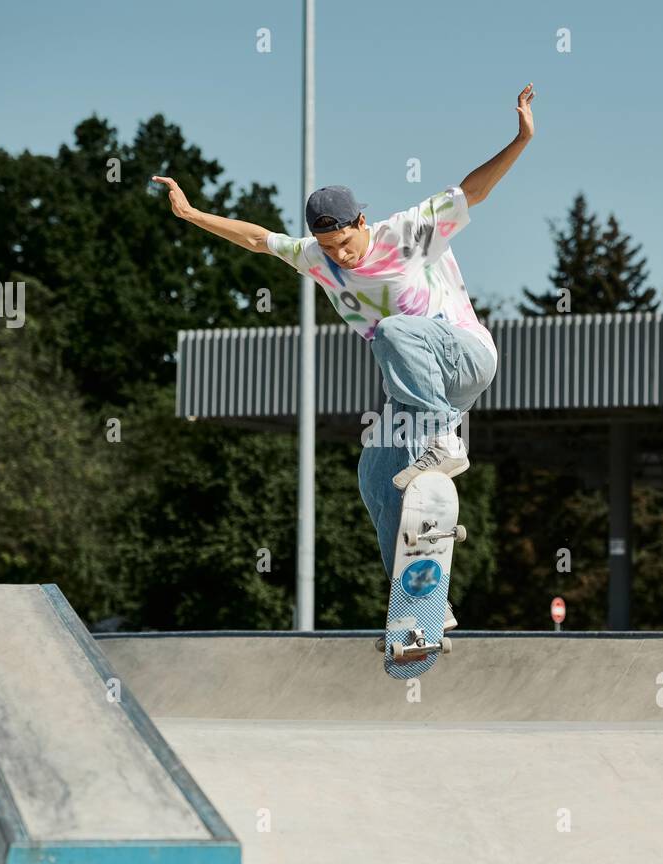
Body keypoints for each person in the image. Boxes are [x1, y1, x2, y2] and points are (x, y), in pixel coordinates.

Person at [154, 83, 536, 628]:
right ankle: (421, 603)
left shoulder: (407, 232)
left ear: (362, 222)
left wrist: (519, 139)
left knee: (393, 331)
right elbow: (260, 240)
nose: (342, 257)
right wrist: (193, 216)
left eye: (347, 243)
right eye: (329, 249)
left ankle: (442, 440)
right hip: (417, 387)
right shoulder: (318, 258)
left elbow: (472, 191)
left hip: (465, 356)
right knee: (376, 478)